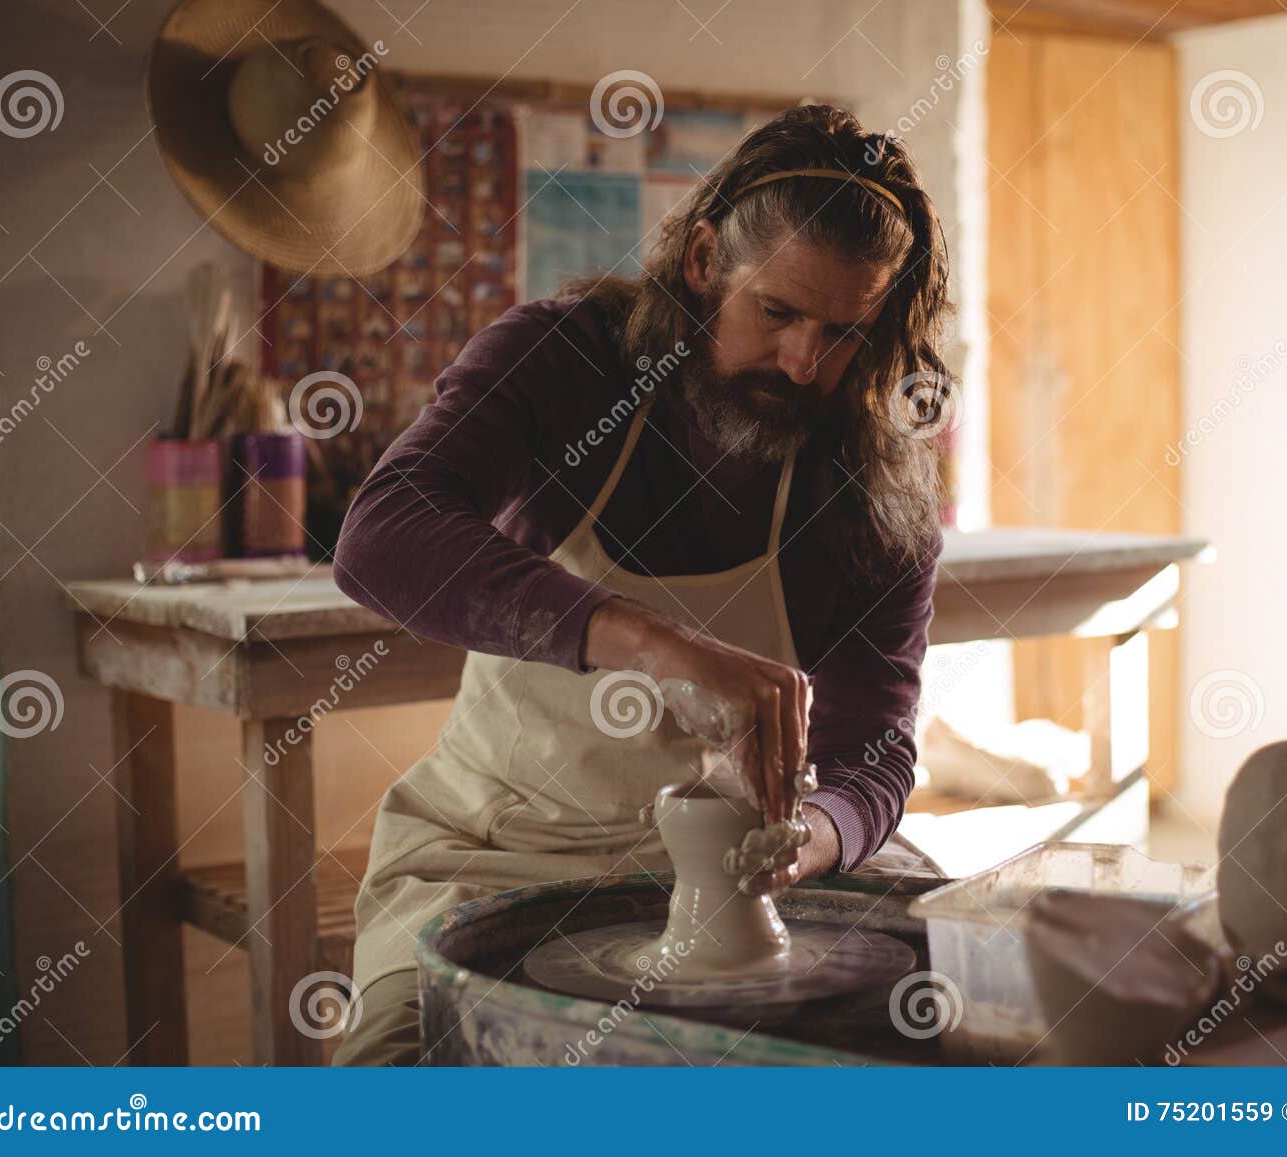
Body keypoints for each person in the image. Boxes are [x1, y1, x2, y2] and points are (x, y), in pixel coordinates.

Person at [330, 102, 953, 1065]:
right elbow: (381, 535)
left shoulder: (871, 478)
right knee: (396, 1074)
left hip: (749, 873)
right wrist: (662, 644)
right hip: (499, 842)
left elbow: (873, 749)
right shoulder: (568, 361)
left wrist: (815, 838)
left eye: (846, 333)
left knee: (954, 1029)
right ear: (705, 260)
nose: (803, 362)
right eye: (777, 312)